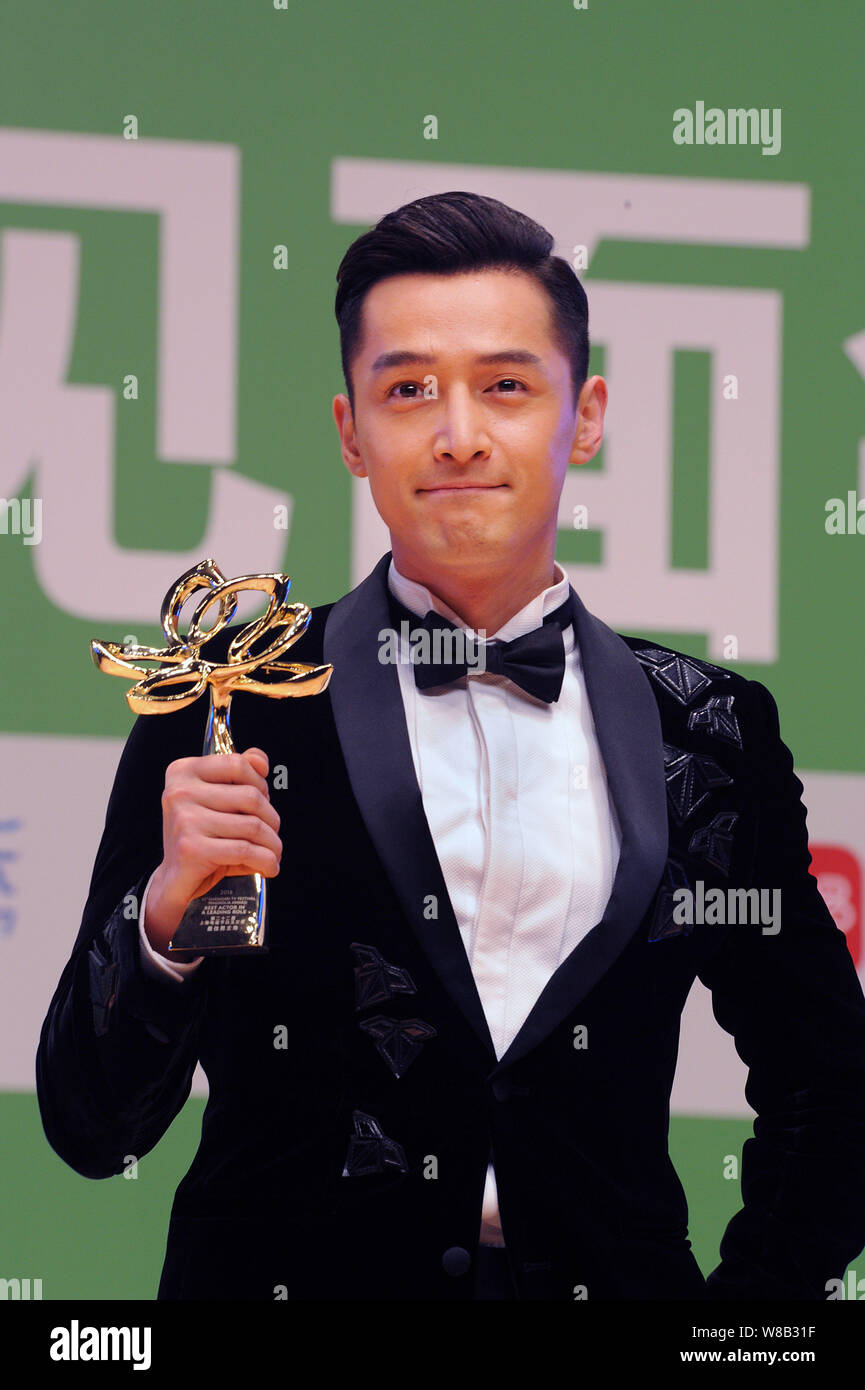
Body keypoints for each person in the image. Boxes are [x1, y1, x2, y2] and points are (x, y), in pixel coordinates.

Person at [36, 191, 865, 1301]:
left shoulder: (703, 732)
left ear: (585, 415)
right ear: (350, 431)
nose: (459, 432)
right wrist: (167, 925)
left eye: (506, 385)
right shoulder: (232, 696)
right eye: (409, 388)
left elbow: (829, 1083)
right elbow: (94, 1126)